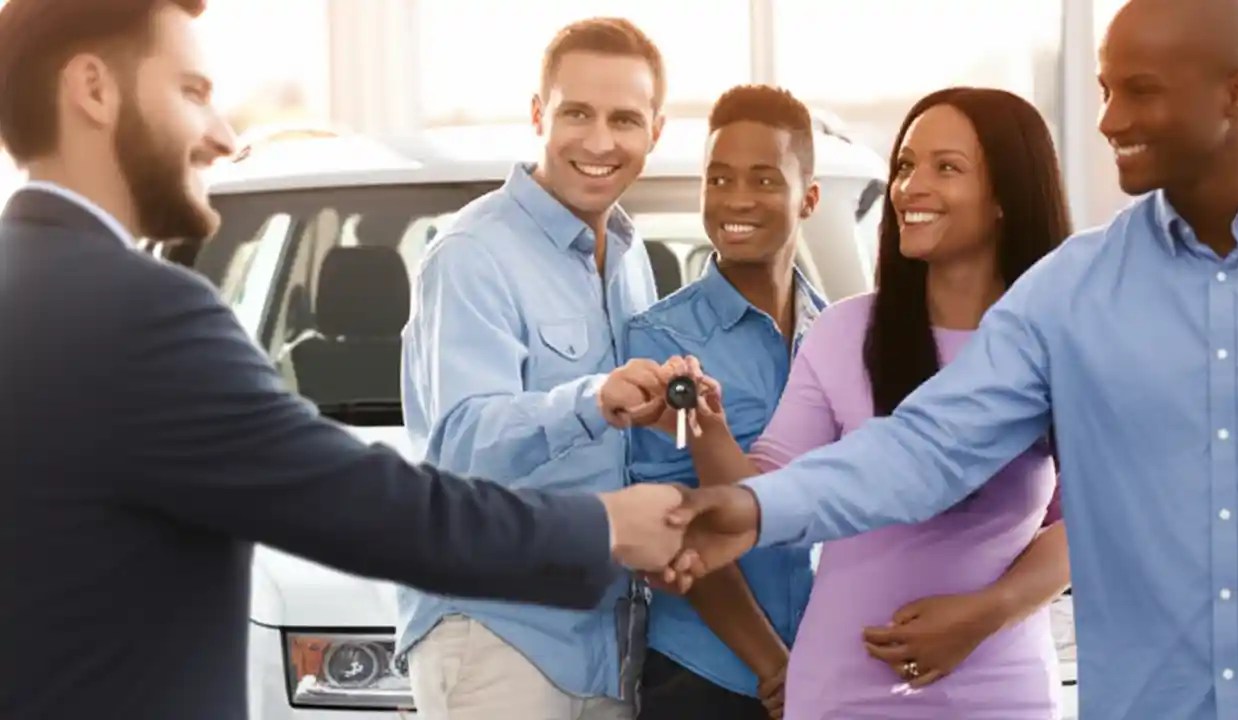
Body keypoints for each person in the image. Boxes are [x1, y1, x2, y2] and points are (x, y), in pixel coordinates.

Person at [0, 2, 688, 719]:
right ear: (93, 88)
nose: (223, 134)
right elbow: (370, 504)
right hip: (504, 632)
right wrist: (603, 528)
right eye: (193, 92)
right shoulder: (139, 313)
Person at [668, 1, 1238, 718]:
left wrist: (991, 609)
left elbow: (1076, 516)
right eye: (1105, 90)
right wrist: (742, 503)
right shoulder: (1070, 294)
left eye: (1139, 91)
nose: (1108, 121)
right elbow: (922, 450)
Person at [654, 86, 1072, 718]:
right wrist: (705, 426)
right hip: (843, 688)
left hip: (999, 688)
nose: (910, 187)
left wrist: (985, 615)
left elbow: (1086, 522)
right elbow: (770, 491)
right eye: (905, 165)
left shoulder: (1058, 344)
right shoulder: (846, 333)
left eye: (946, 167)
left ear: (1005, 199)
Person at [395, 16, 669, 720]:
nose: (600, 141)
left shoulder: (634, 258)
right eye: (578, 112)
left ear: (655, 131)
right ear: (539, 114)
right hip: (498, 632)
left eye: (625, 119)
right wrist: (591, 400)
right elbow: (458, 443)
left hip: (611, 642)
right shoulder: (472, 254)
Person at [625, 85, 824, 720]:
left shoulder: (838, 338)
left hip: (829, 672)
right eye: (719, 178)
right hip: (704, 679)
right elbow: (676, 524)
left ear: (808, 198)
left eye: (765, 179)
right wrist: (777, 669)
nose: (736, 199)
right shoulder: (662, 343)